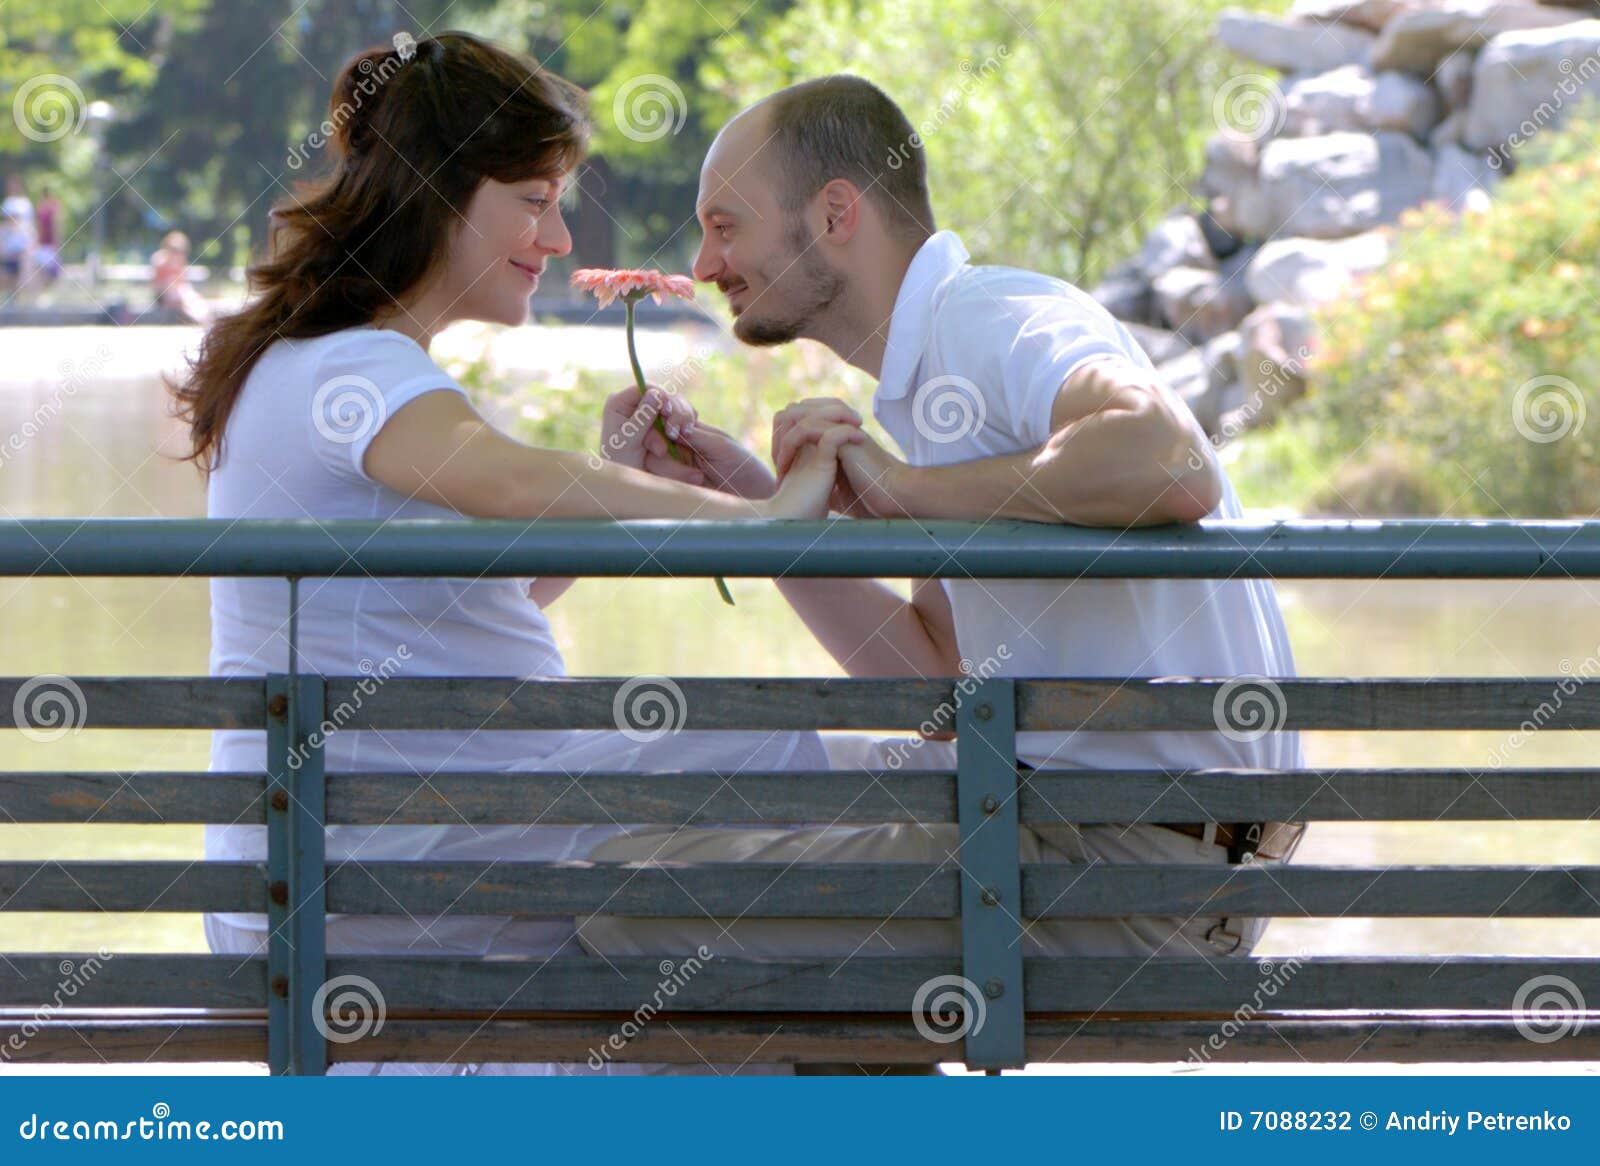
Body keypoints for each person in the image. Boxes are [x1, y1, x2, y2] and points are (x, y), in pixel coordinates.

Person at [169, 33, 856, 1077]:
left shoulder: (336, 362)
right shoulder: (354, 369)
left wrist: (616, 477)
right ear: (439, 193)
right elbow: (504, 478)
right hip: (376, 864)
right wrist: (760, 519)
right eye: (533, 199)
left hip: (383, 846)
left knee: (771, 798)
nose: (558, 231)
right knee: (782, 757)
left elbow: (465, 601)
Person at [580, 77, 1307, 1039]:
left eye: (726, 225)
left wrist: (904, 491)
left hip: (1120, 871)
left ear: (836, 211)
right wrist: (758, 511)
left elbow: (1168, 459)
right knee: (692, 810)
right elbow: (936, 686)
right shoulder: (933, 382)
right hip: (1103, 852)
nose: (707, 261)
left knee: (621, 904)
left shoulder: (991, 316)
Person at [150, 230, 212, 323]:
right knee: (182, 297)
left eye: (180, 251)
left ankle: (203, 318)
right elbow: (157, 285)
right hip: (165, 294)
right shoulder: (159, 260)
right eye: (174, 250)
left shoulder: (180, 262)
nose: (178, 254)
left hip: (179, 292)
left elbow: (182, 282)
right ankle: (198, 319)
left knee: (194, 299)